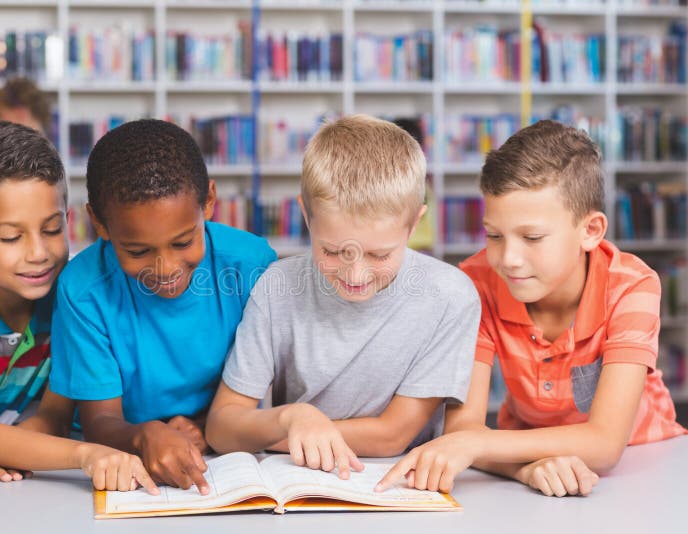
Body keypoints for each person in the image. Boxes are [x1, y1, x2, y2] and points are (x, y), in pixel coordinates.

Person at [378, 120, 687, 497]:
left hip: (647, 464)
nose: (508, 258)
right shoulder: (476, 284)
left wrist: (478, 443)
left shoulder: (632, 286)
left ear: (590, 231)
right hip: (532, 465)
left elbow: (605, 444)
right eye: (494, 235)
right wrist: (526, 470)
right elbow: (462, 430)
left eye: (532, 237)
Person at [205, 114, 481, 478]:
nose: (355, 275)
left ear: (415, 223)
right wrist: (292, 418)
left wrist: (279, 434)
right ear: (306, 216)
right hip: (300, 482)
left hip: (399, 486)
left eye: (379, 255)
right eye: (333, 251)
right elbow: (221, 428)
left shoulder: (449, 297)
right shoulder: (276, 288)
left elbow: (392, 436)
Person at [0, 121, 156, 493]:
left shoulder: (77, 297)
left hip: (39, 462)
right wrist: (85, 455)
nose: (38, 253)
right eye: (11, 237)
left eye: (52, 229)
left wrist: (4, 448)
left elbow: (55, 416)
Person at [47, 119, 277, 494]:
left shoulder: (251, 265)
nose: (166, 268)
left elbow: (260, 385)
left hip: (223, 451)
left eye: (183, 242)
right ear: (99, 224)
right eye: (138, 251)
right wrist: (144, 436)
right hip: (116, 455)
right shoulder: (82, 289)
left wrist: (206, 427)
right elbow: (99, 420)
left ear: (209, 201)